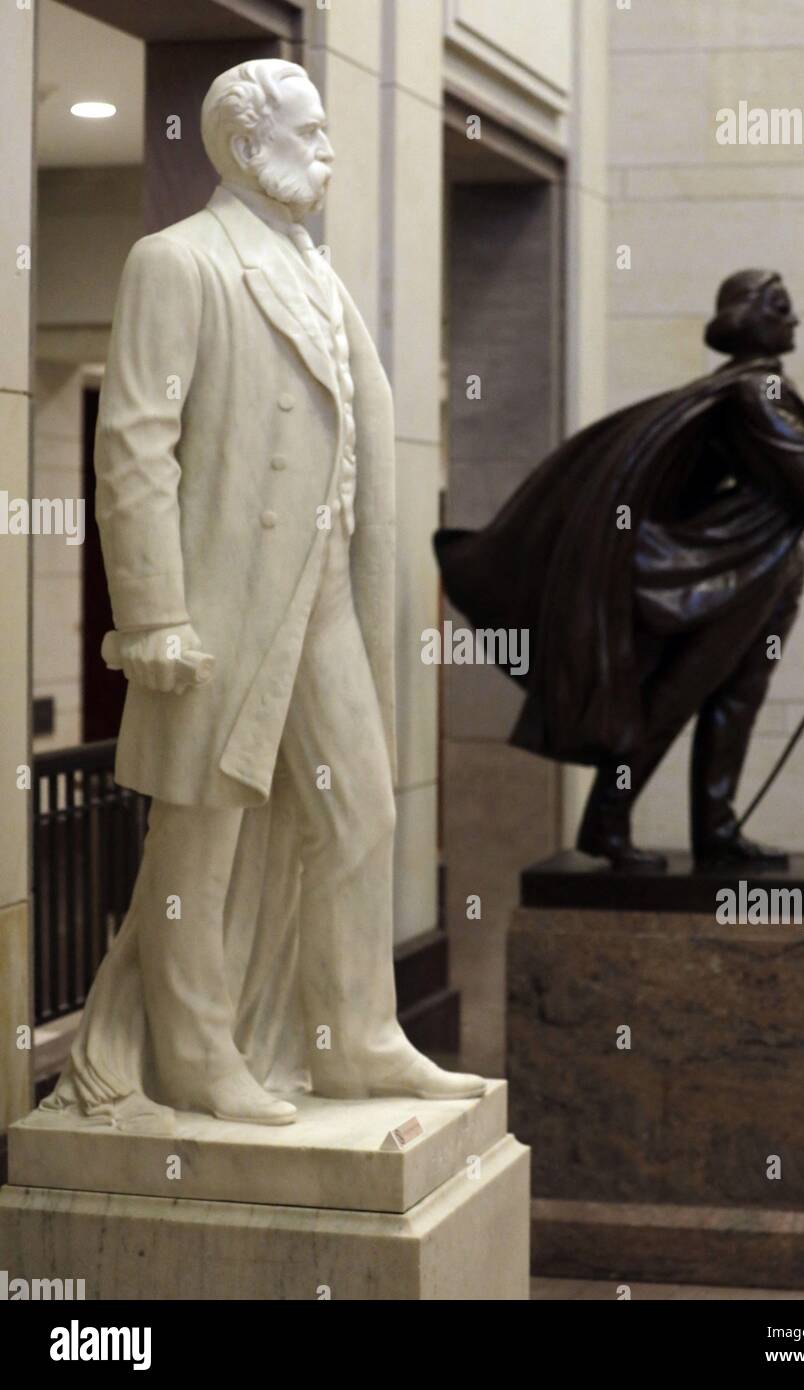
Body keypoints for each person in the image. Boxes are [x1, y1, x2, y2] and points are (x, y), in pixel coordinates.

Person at [48, 59, 484, 1130]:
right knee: (198, 827)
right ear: (246, 146)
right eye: (312, 131)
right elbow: (135, 445)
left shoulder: (318, 277)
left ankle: (354, 1039)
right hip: (225, 598)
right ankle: (195, 1055)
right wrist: (150, 614)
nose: (329, 149)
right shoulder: (178, 262)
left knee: (360, 811)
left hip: (322, 588)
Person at [435, 270, 804, 870]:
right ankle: (608, 821)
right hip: (732, 569)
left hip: (771, 563)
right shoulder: (753, 393)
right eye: (782, 309)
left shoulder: (753, 389)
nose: (795, 321)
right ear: (751, 319)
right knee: (673, 700)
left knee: (738, 700)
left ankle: (717, 828)